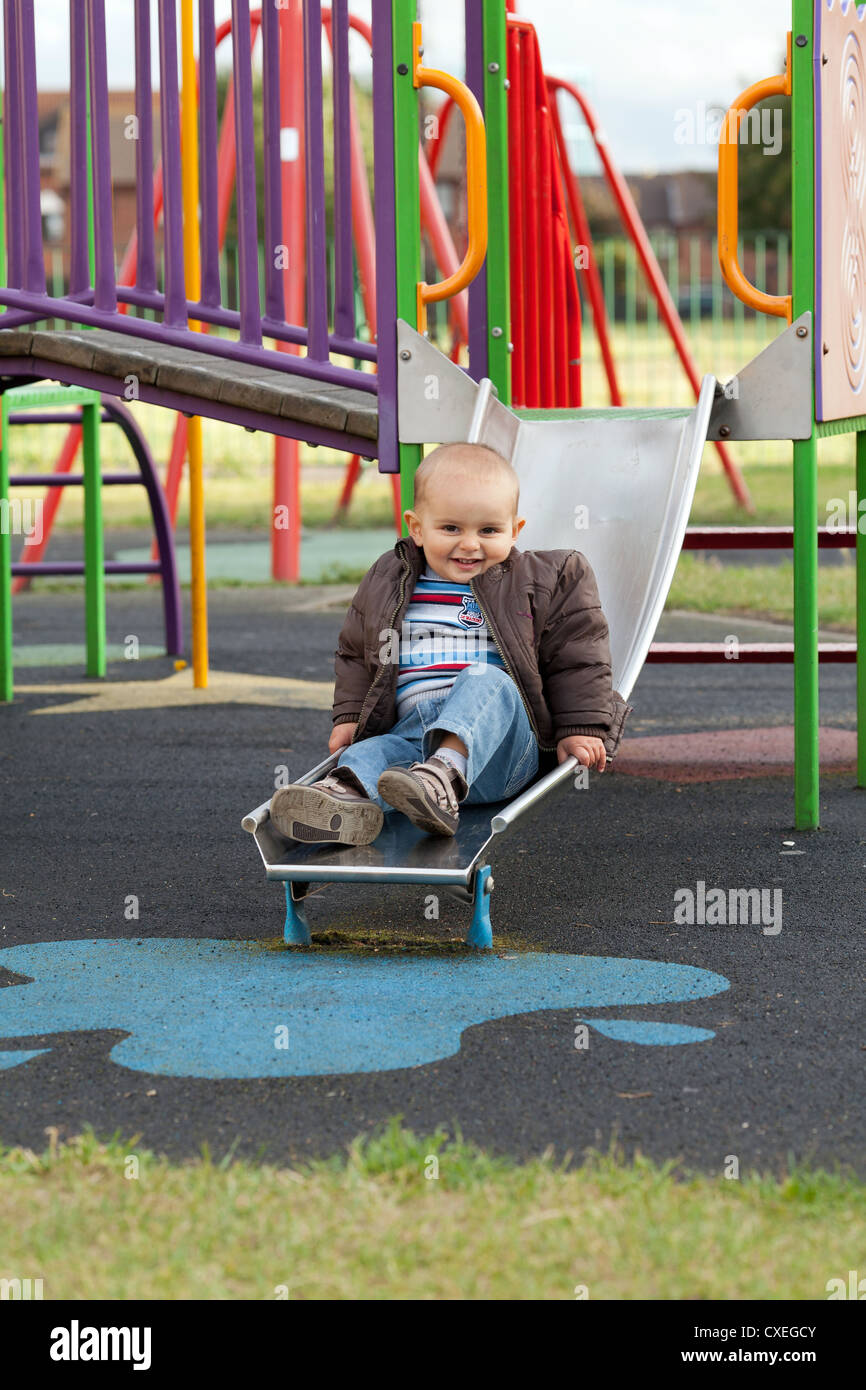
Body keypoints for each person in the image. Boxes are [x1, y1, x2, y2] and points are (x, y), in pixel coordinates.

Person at [269, 442, 631, 846]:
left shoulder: (537, 580)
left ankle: (445, 771)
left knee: (485, 679)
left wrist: (579, 727)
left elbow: (576, 656)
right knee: (377, 749)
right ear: (417, 527)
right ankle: (344, 798)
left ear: (515, 530)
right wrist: (350, 715)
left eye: (489, 530)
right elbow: (356, 650)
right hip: (412, 746)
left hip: (499, 753)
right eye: (451, 529)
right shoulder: (392, 580)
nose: (471, 544)